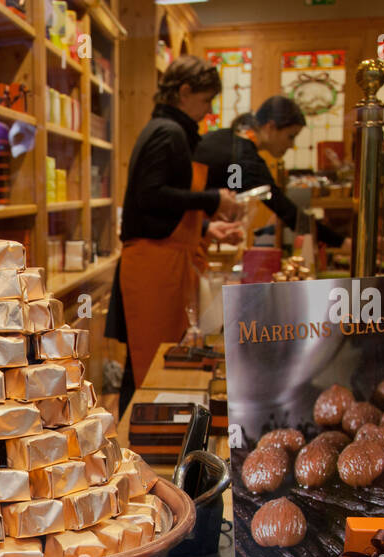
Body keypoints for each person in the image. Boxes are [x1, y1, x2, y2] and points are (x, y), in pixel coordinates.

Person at [110, 56, 244, 419]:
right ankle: (136, 452)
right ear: (184, 92)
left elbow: (160, 207)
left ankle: (133, 451)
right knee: (149, 369)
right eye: (205, 100)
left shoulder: (169, 132)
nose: (208, 110)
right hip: (154, 268)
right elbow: (150, 196)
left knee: (146, 367)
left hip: (164, 264)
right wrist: (213, 199)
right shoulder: (167, 133)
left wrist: (204, 227)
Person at [195, 96, 347, 249]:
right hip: (183, 235)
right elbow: (288, 213)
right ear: (270, 127)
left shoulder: (228, 138)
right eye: (291, 136)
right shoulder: (246, 158)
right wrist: (342, 243)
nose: (291, 145)